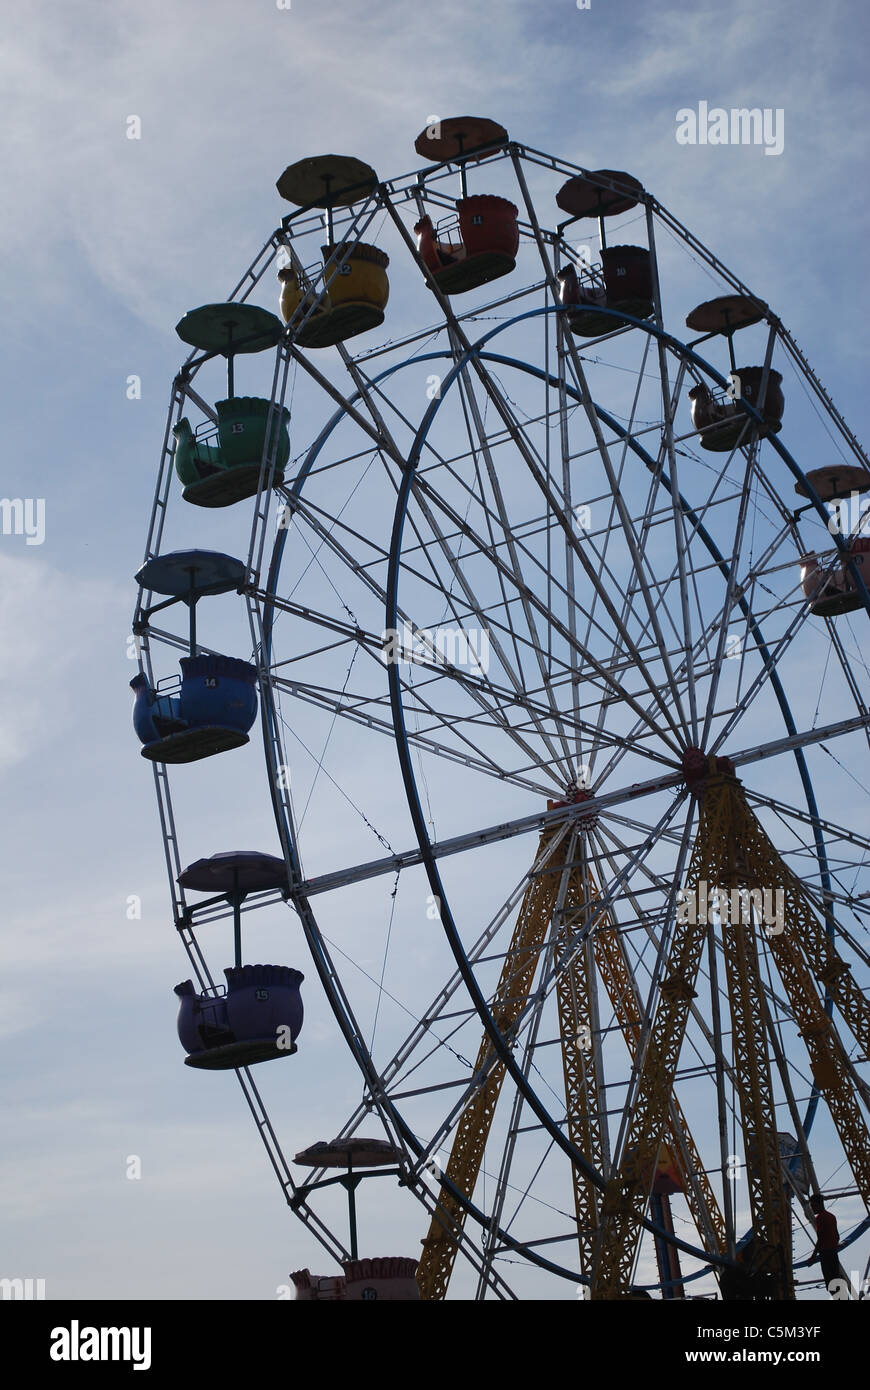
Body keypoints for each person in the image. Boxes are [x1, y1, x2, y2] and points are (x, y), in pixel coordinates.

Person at [809, 1193, 840, 1292]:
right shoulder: (831, 1216)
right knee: (836, 1280)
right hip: (833, 1252)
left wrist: (813, 1256)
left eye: (813, 1206)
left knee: (831, 1283)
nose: (812, 1209)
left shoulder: (820, 1218)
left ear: (818, 1204)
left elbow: (821, 1238)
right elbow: (837, 1236)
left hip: (826, 1254)